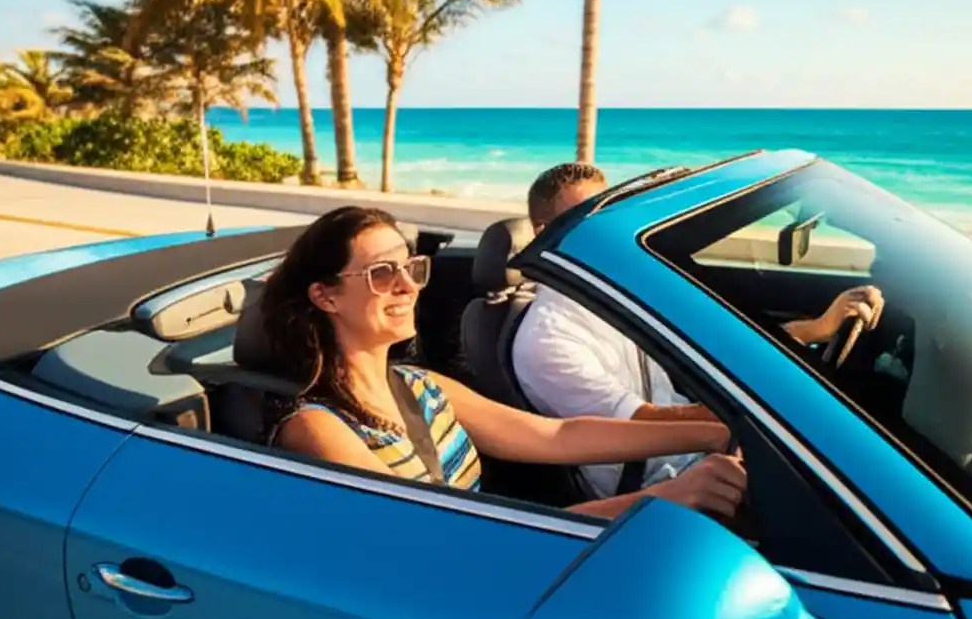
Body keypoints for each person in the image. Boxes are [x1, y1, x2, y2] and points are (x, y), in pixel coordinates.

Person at [260, 205, 748, 520]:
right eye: (382, 273)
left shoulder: (420, 386)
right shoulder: (316, 428)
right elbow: (442, 537)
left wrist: (713, 430)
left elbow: (557, 436)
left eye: (409, 267)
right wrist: (665, 498)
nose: (408, 286)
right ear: (325, 296)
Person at [513, 163, 885, 499]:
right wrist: (748, 415)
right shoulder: (549, 339)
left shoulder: (614, 293)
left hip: (701, 453)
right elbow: (641, 423)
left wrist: (815, 330)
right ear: (547, 233)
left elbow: (716, 349)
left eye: (608, 212)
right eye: (587, 218)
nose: (606, 227)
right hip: (663, 488)